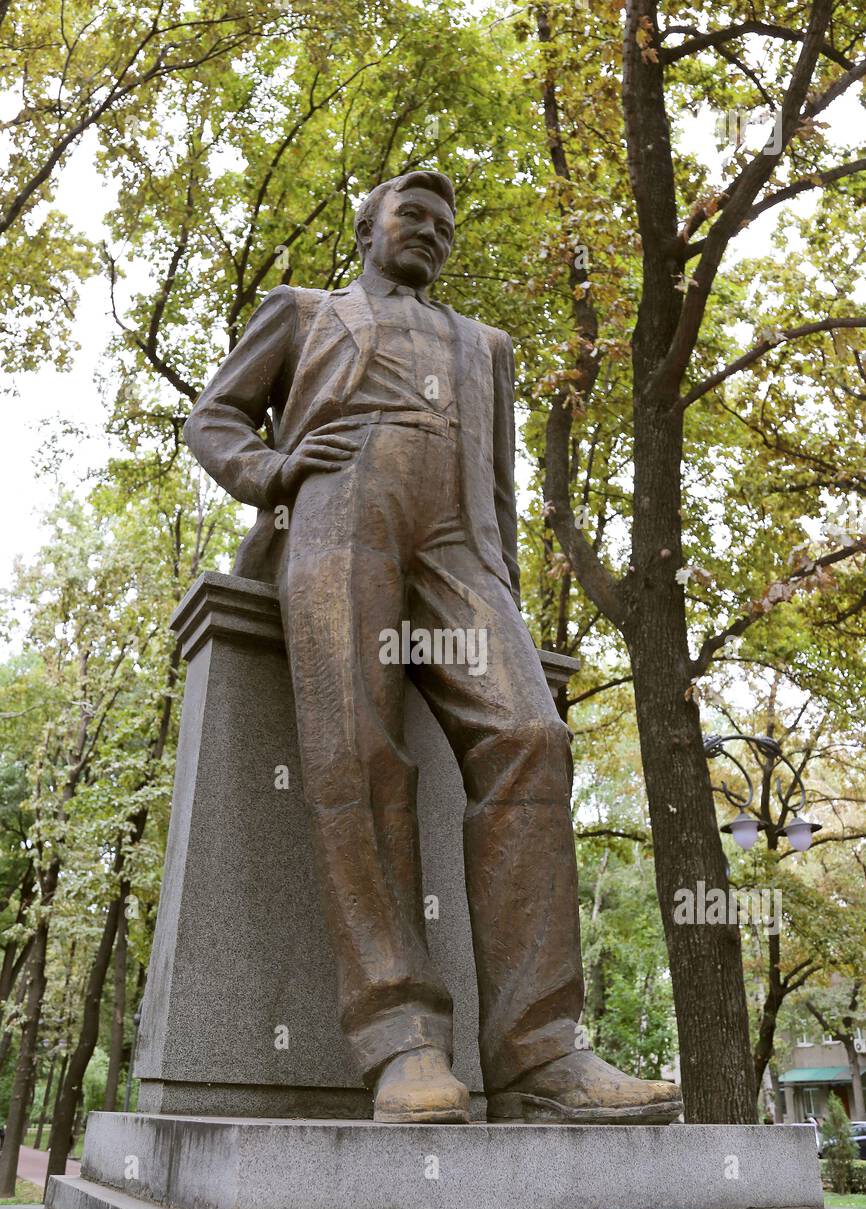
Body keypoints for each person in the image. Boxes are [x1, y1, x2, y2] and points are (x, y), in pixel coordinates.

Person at [183, 169, 683, 1126]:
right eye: (415, 215)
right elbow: (214, 420)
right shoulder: (302, 311)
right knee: (356, 750)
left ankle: (541, 1053)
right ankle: (403, 1040)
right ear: (367, 225)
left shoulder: (483, 345)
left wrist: (509, 604)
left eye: (447, 225)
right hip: (340, 511)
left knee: (532, 735)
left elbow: (496, 492)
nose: (433, 233)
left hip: (459, 541)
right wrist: (276, 472)